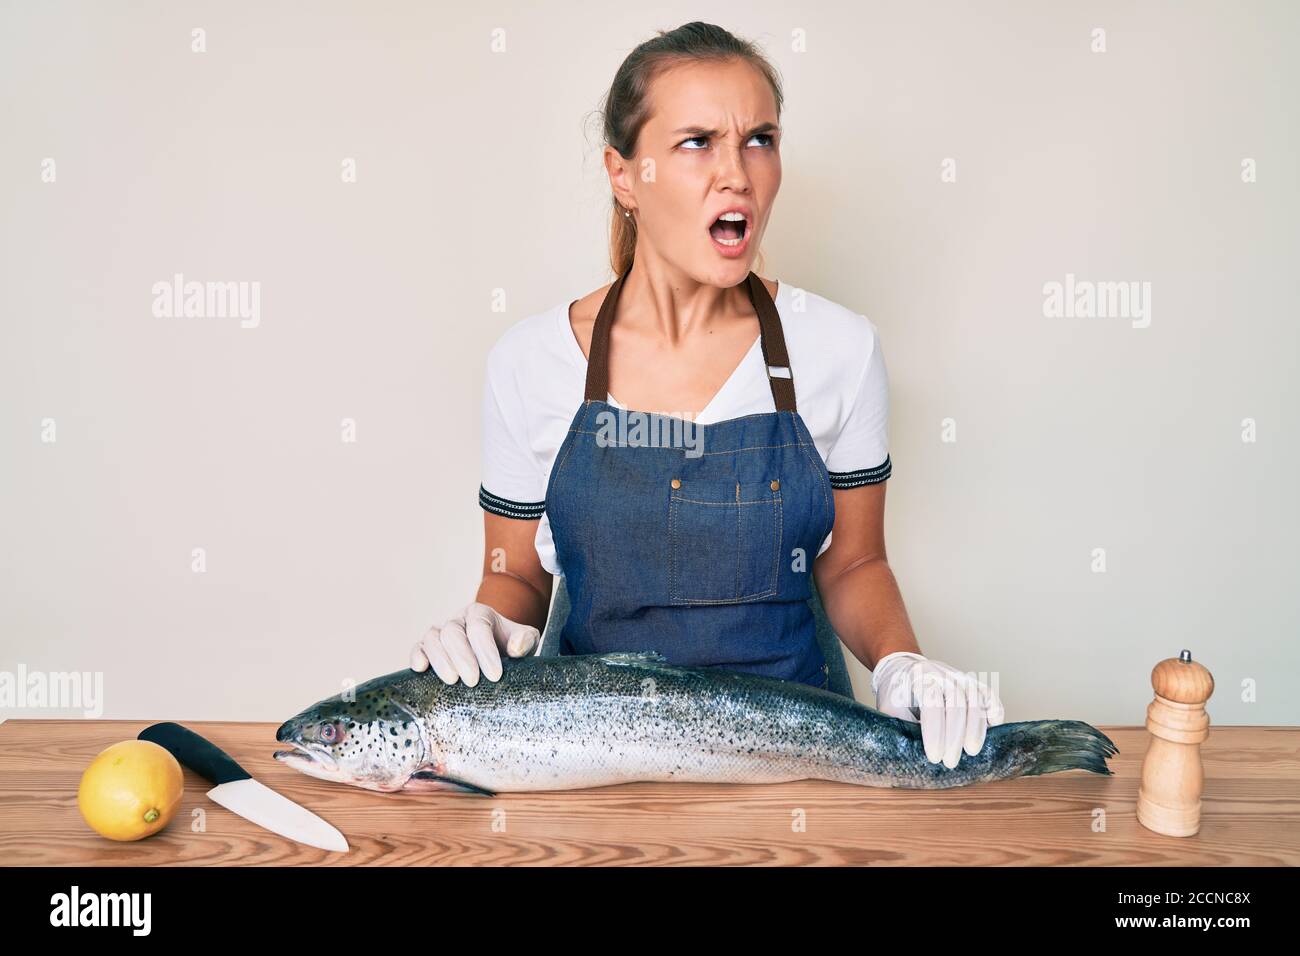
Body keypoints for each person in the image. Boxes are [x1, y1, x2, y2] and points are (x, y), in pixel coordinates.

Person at [410, 21, 1003, 768]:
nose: (739, 174)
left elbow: (854, 564)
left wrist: (900, 663)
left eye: (760, 138)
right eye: (697, 142)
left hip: (800, 758)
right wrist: (484, 626)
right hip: (586, 761)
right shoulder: (532, 362)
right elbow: (517, 575)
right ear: (624, 174)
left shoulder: (839, 350)